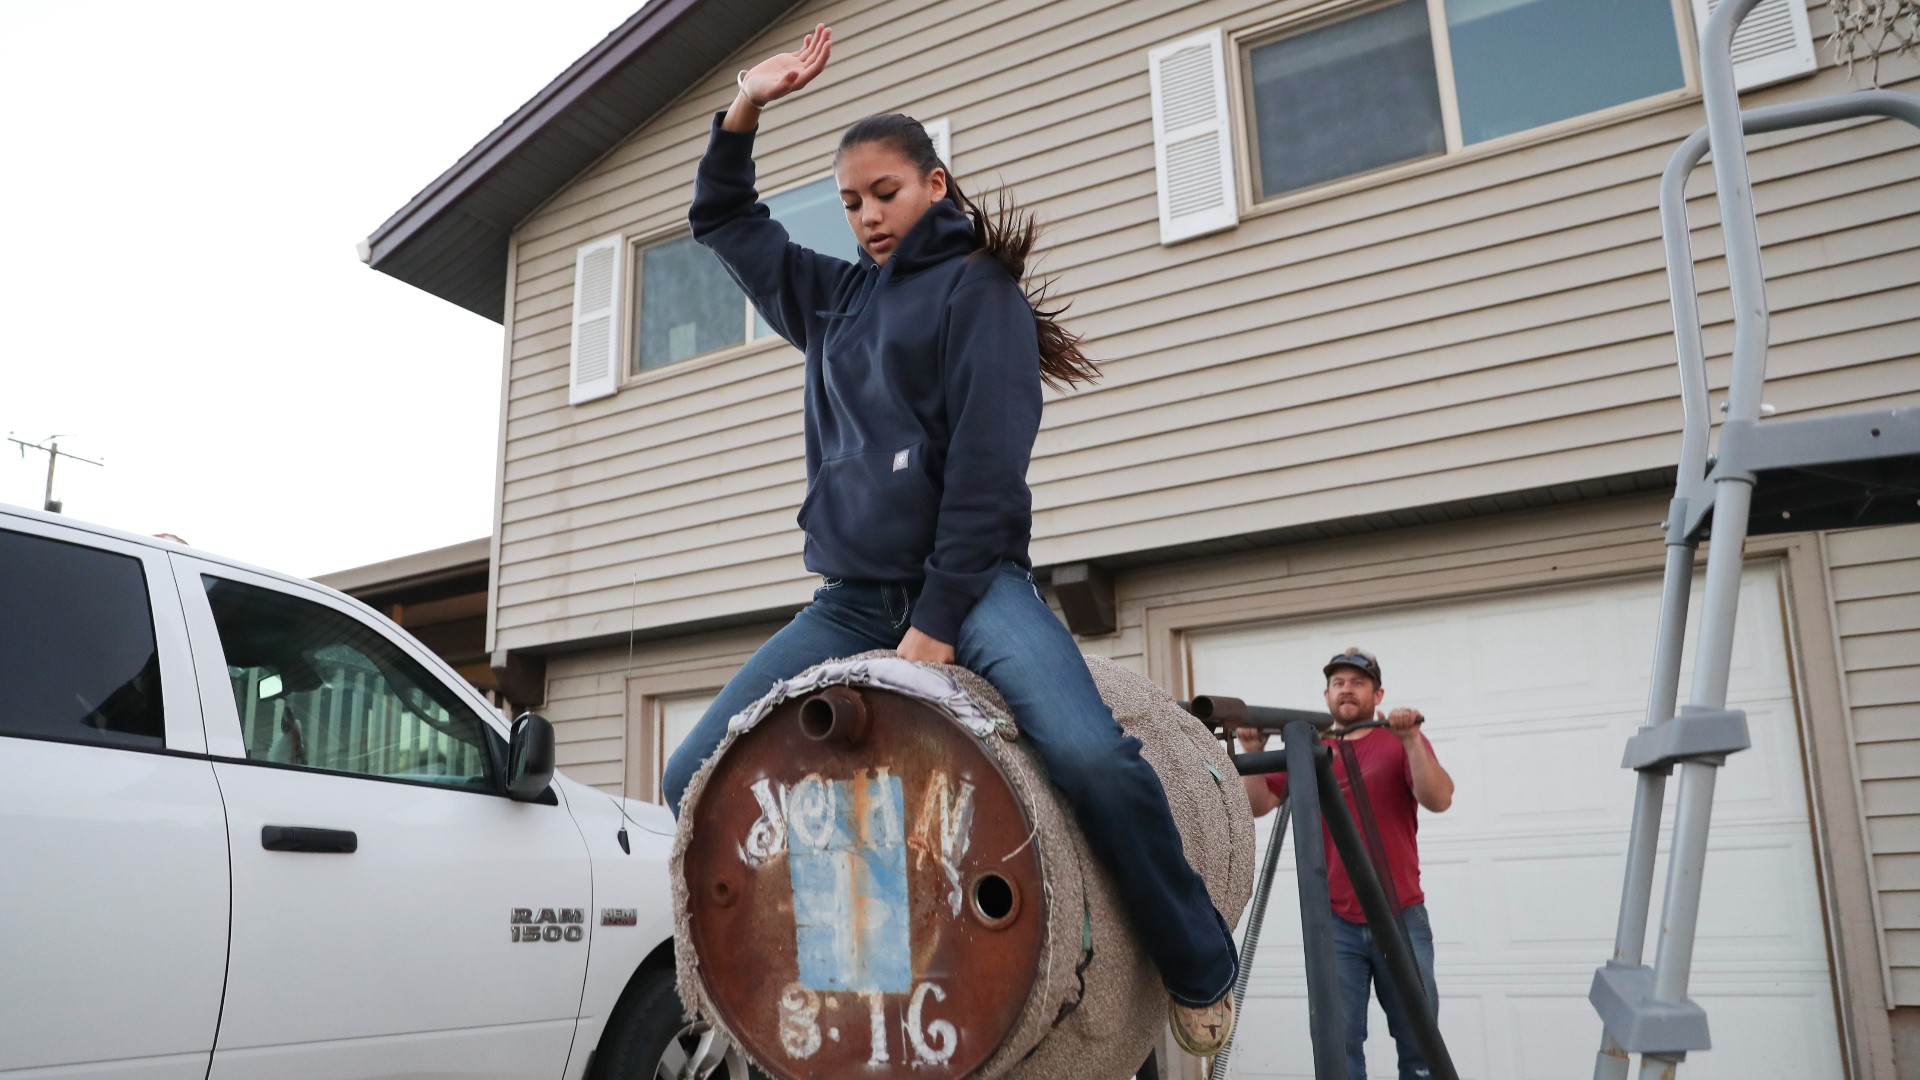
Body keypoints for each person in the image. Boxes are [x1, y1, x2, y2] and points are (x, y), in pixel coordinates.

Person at [658, 24, 1240, 1056]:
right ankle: (804, 984)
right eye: (848, 202)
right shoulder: (831, 301)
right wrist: (746, 100)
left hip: (971, 587)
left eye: (883, 192)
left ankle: (1198, 962)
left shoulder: (982, 295)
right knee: (691, 774)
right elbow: (721, 217)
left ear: (933, 183)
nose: (866, 215)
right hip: (849, 598)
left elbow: (986, 477)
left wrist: (931, 628)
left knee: (1091, 759)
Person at [1239, 648, 1454, 1080]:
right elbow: (1259, 804)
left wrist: (1411, 738)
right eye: (1338, 683)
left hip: (1400, 916)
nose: (1347, 690)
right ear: (1327, 695)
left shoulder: (1398, 741)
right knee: (1339, 1051)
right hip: (1336, 922)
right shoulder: (1310, 749)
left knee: (1420, 1046)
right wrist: (1251, 748)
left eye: (1357, 682)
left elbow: (1439, 798)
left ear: (1378, 694)